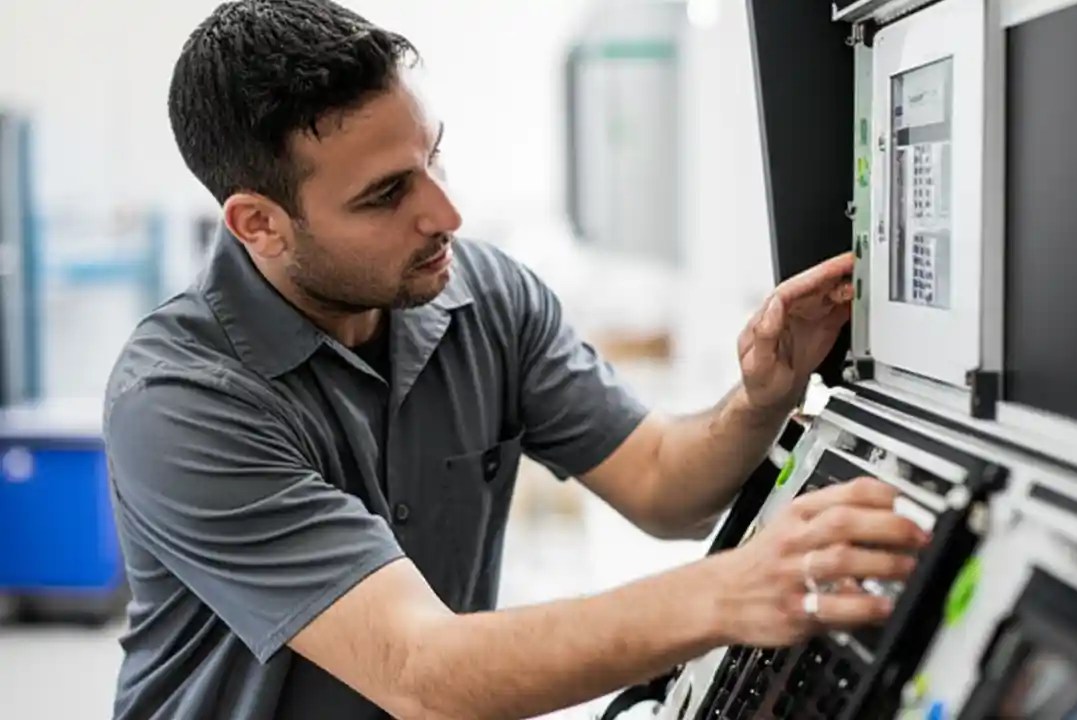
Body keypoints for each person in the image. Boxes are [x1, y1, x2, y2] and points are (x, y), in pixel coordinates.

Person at [102, 1, 928, 718]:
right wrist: (729, 593)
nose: (446, 213)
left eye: (433, 157)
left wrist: (758, 401)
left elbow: (662, 488)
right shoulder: (180, 399)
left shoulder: (479, 296)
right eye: (387, 195)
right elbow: (422, 675)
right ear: (259, 225)